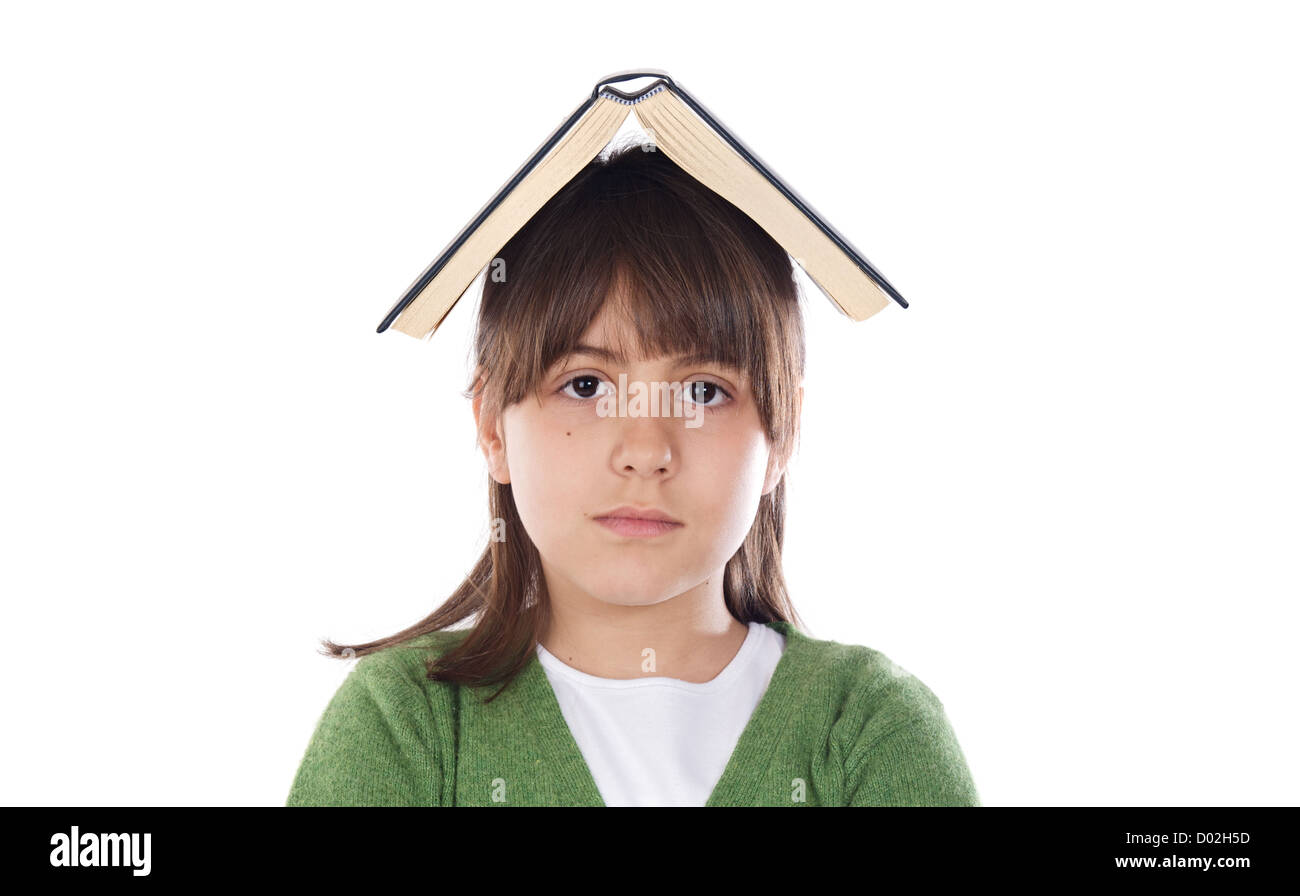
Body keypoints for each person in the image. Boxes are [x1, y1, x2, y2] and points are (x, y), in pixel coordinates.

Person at [286, 142, 979, 806]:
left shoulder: (874, 731)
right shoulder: (404, 724)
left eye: (704, 391)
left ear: (782, 433)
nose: (646, 450)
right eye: (586, 386)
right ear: (492, 425)